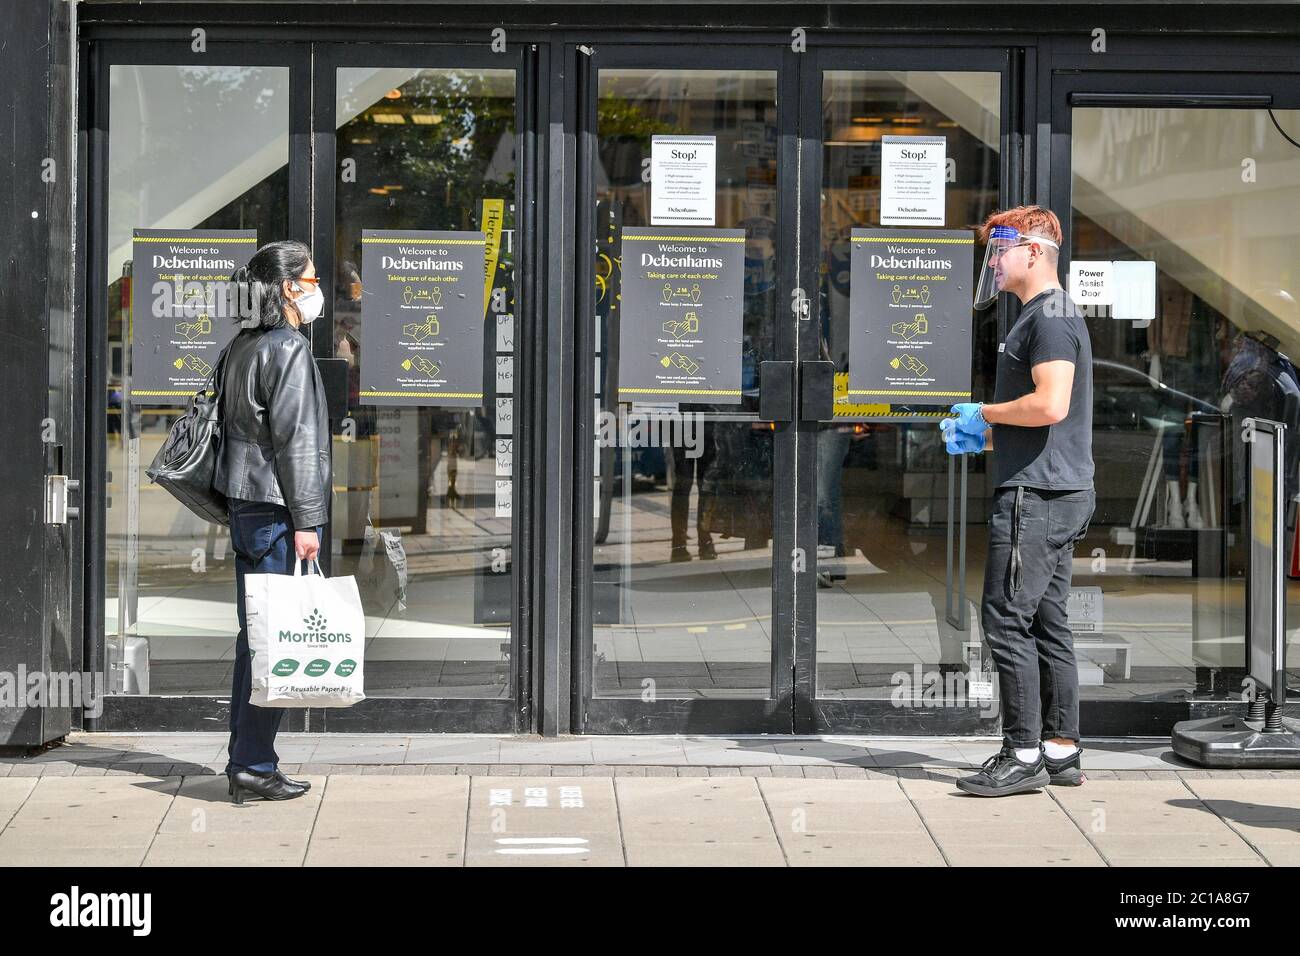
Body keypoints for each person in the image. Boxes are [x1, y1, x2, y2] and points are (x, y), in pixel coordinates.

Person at [942, 205, 1095, 797]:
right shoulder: (1047, 313)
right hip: (1056, 489)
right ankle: (1060, 750)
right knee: (1049, 623)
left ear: (1033, 251)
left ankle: (1022, 753)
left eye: (1000, 249)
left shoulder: (1049, 318)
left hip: (1036, 494)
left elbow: (1051, 404)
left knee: (1006, 620)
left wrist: (984, 414)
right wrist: (993, 427)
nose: (994, 261)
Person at [215, 240, 331, 804]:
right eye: (309, 278)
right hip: (279, 511)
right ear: (288, 287)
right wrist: (308, 522)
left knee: (255, 637)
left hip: (247, 508)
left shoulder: (243, 344)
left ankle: (248, 760)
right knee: (273, 637)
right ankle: (255, 764)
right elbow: (297, 443)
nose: (316, 287)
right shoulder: (287, 348)